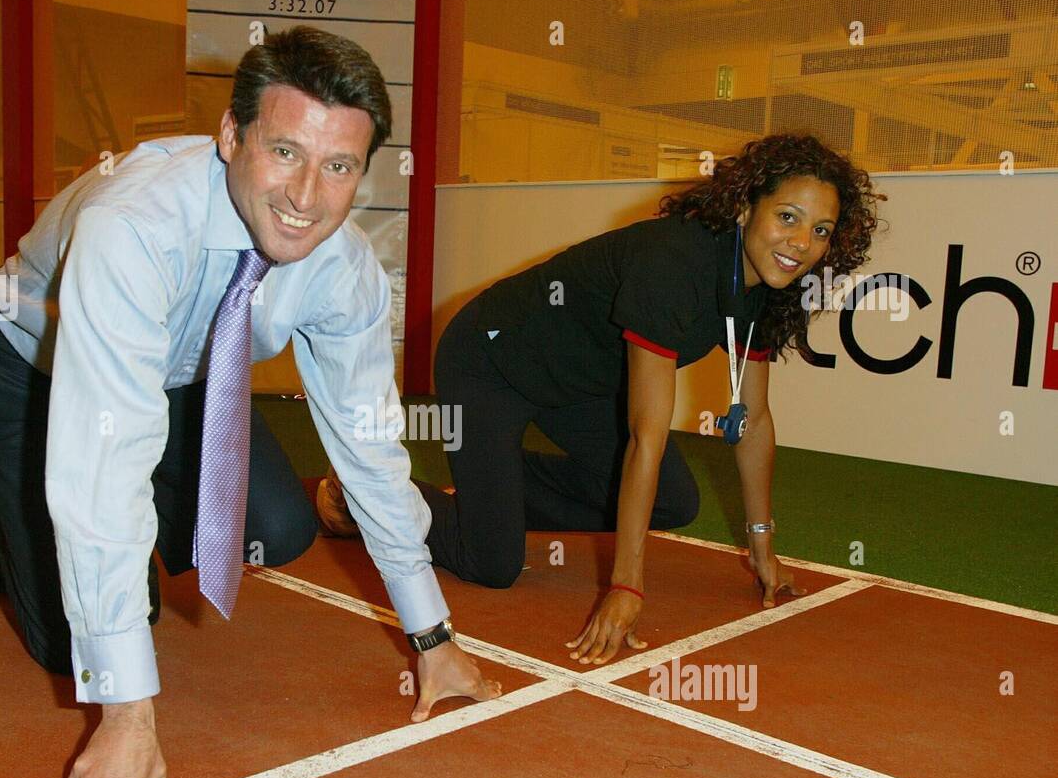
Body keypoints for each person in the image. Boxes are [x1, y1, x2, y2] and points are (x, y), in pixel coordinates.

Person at [0, 26, 500, 778]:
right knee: (76, 646)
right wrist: (128, 710)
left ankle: (89, 548)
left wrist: (432, 634)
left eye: (339, 166)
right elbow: (106, 461)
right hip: (35, 366)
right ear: (231, 136)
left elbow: (370, 447)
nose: (307, 196)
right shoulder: (133, 225)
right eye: (284, 151)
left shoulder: (343, 272)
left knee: (276, 526)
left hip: (175, 373)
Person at [374, 133, 882, 666]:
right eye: (788, 218)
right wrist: (626, 586)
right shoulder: (673, 261)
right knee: (492, 564)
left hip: (582, 385)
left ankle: (488, 480)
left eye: (820, 230)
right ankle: (376, 497)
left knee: (674, 502)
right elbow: (647, 434)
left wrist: (763, 548)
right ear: (745, 208)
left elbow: (752, 420)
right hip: (495, 361)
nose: (802, 242)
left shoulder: (763, 292)